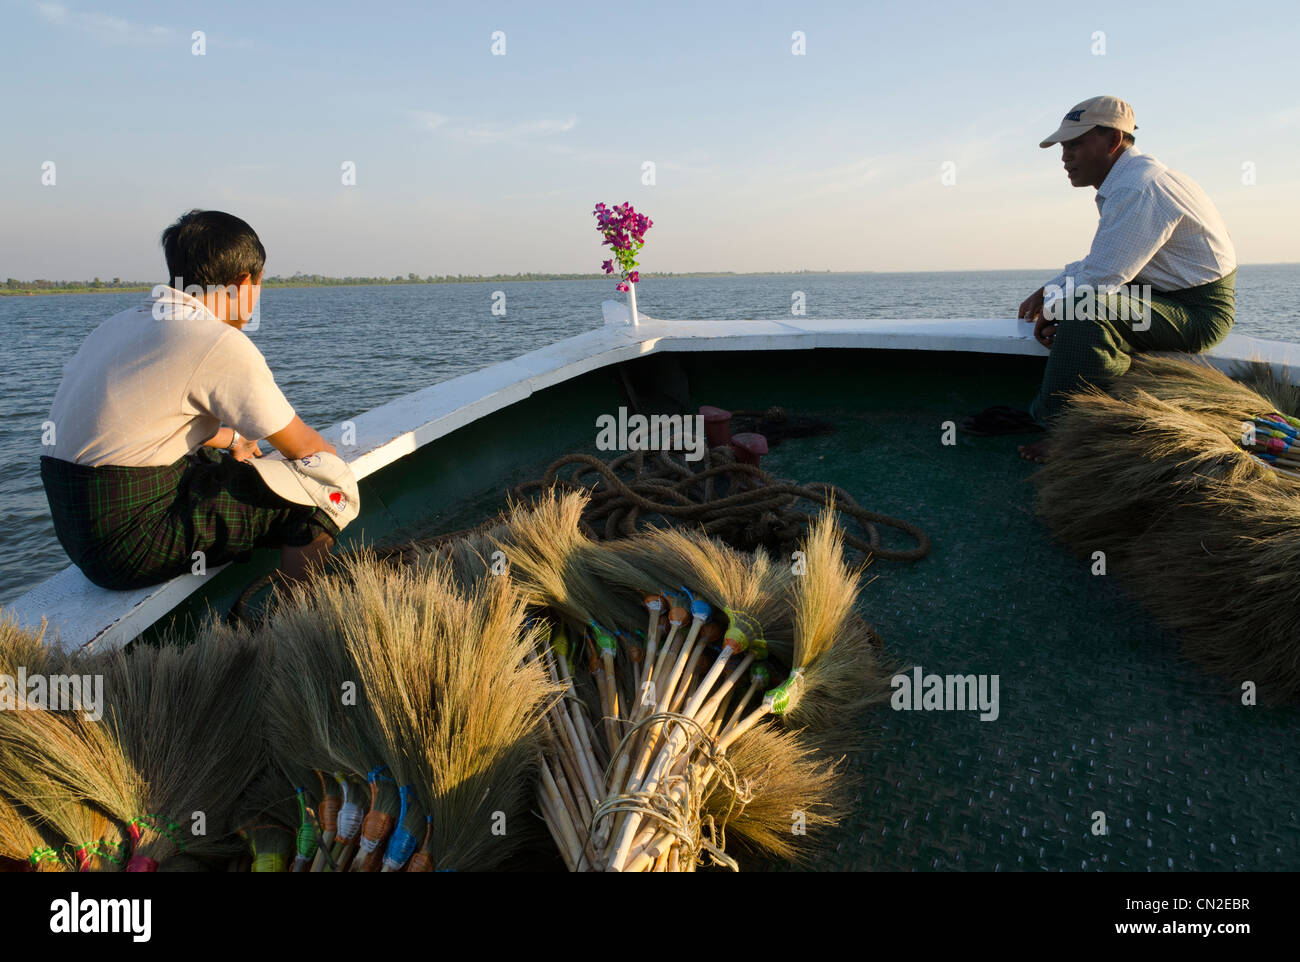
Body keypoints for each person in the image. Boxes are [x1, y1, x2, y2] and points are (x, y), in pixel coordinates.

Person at [39, 209, 359, 592]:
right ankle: (295, 619)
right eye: (260, 285)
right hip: (127, 545)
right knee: (320, 496)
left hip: (80, 531)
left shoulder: (124, 324)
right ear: (243, 283)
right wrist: (336, 467)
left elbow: (143, 429)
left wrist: (234, 441)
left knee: (215, 461)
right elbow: (304, 448)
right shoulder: (214, 341)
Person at [961, 96, 1238, 462]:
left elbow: (1103, 279)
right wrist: (1050, 288)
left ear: (1112, 142)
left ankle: (1065, 429)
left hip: (1196, 315)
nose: (1065, 156)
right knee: (1080, 305)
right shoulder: (1131, 180)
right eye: (1063, 146)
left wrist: (1057, 305)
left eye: (1076, 144)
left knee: (1082, 308)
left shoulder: (1140, 187)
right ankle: (1089, 396)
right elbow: (1101, 262)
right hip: (1163, 297)